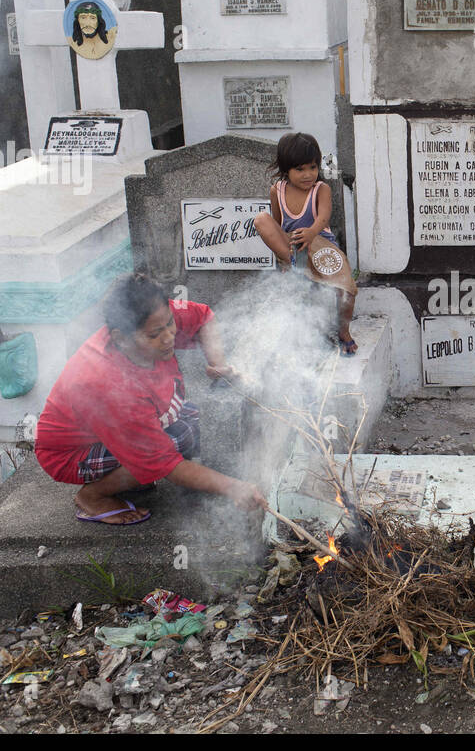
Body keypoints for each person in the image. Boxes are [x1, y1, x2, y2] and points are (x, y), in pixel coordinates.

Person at [35, 273, 269, 525]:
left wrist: (218, 365)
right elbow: (166, 463)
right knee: (176, 440)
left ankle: (127, 476)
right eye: (155, 334)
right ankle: (93, 495)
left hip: (113, 430)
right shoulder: (110, 386)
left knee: (189, 422)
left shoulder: (155, 319)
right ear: (120, 339)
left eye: (170, 324)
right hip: (71, 454)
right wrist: (234, 487)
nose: (169, 337)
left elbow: (203, 317)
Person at [253, 132, 359, 355]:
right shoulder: (277, 191)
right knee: (262, 220)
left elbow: (324, 217)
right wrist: (286, 254)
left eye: (312, 167)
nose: (308, 174)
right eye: (300, 169)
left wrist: (311, 232)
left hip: (321, 247)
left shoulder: (321, 189)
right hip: (294, 249)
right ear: (286, 169)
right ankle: (293, 266)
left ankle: (344, 330)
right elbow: (278, 225)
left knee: (347, 291)